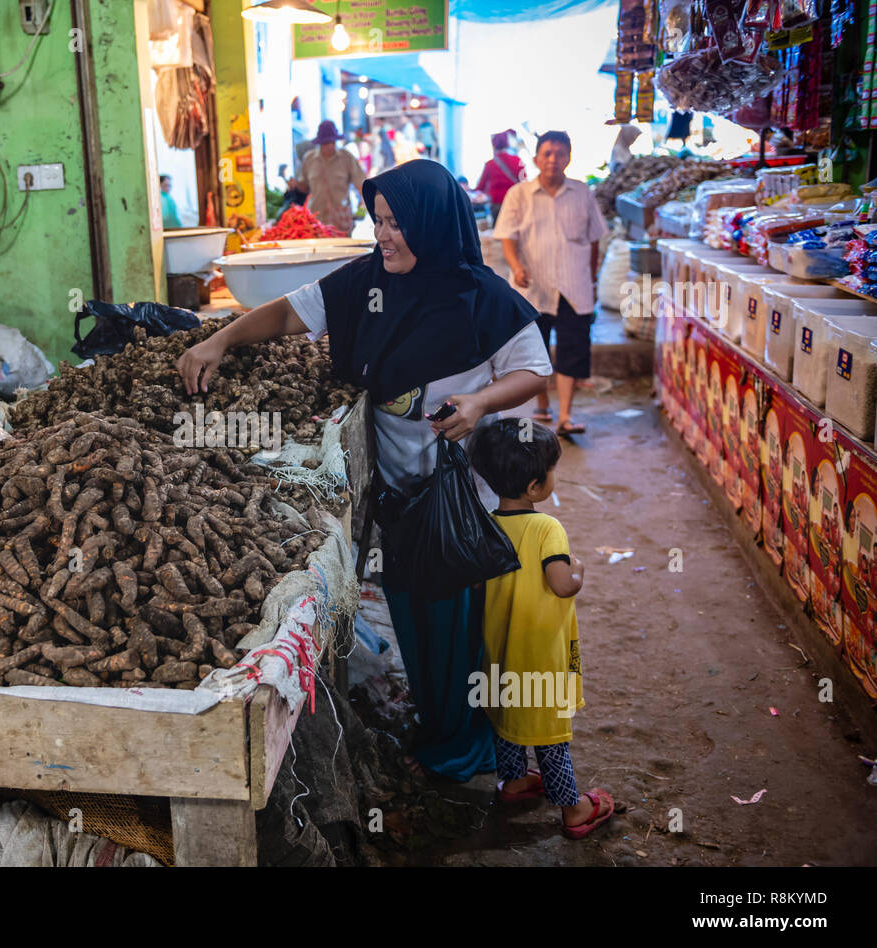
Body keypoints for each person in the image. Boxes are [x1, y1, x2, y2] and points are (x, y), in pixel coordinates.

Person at [176, 161, 551, 779]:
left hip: (456, 498)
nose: (384, 235)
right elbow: (289, 312)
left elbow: (533, 371)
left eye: (397, 224)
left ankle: (461, 751)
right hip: (396, 494)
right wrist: (221, 340)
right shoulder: (368, 283)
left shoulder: (483, 298)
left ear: (432, 226)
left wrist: (481, 402)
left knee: (453, 629)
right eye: (378, 221)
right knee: (412, 618)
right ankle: (437, 729)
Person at [468, 418, 615, 838]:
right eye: (553, 470)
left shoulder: (487, 525)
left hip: (500, 652)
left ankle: (513, 782)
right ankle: (574, 809)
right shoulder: (547, 527)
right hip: (540, 658)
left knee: (508, 720)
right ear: (535, 487)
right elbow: (561, 584)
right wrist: (580, 571)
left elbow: (478, 582)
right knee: (550, 738)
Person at [494, 130, 608, 437]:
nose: (553, 159)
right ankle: (542, 405)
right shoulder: (518, 195)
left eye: (560, 153)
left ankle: (566, 416)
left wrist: (592, 277)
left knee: (573, 349)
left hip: (574, 286)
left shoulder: (583, 193)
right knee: (536, 352)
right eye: (547, 153)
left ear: (569, 158)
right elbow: (508, 237)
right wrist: (516, 268)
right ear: (536, 158)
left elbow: (594, 238)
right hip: (533, 289)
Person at [290, 120, 365, 236]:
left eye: (332, 142)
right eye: (326, 143)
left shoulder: (346, 158)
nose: (330, 146)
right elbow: (303, 187)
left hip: (342, 221)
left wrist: (363, 205)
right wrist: (294, 185)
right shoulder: (309, 159)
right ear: (320, 143)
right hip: (317, 222)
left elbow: (361, 184)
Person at [476, 131, 525, 220]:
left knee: (498, 232)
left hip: (497, 205)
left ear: (493, 144)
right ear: (507, 142)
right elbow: (524, 182)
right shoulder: (517, 160)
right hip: (515, 203)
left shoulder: (490, 164)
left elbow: (480, 187)